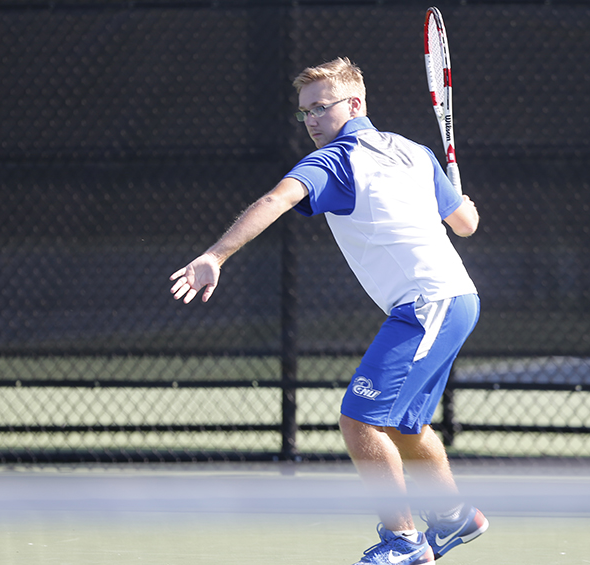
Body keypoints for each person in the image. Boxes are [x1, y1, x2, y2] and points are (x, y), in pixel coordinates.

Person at [169, 57, 487, 565]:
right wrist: (464, 206)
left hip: (427, 305)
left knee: (359, 420)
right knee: (403, 426)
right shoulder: (415, 151)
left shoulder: (336, 160)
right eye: (304, 113)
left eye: (321, 107)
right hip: (454, 300)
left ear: (354, 104)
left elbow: (275, 200)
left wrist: (215, 255)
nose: (312, 120)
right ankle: (454, 516)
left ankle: (405, 542)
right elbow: (465, 225)